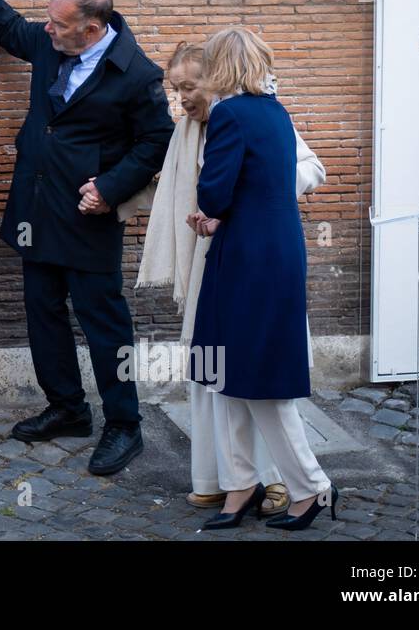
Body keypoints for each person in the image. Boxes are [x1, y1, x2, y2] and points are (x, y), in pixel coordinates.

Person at [0, 0, 173, 475]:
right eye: (49, 22)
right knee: (43, 312)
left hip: (88, 215)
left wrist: (111, 187)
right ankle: (68, 408)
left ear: (93, 29)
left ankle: (125, 424)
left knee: (103, 321)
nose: (47, 29)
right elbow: (8, 28)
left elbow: (158, 140)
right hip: (36, 208)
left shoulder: (137, 75)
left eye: (57, 23)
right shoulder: (53, 44)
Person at [133, 42, 325, 518]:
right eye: (174, 89)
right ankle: (226, 482)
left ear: (214, 76)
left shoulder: (239, 115)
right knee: (215, 377)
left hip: (249, 259)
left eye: (188, 87)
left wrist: (251, 195)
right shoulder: (208, 125)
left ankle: (281, 482)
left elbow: (306, 169)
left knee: (256, 376)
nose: (181, 99)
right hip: (219, 261)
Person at [187, 27, 337, 530]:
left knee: (258, 381)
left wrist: (210, 205)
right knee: (226, 374)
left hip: (250, 259)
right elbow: (261, 187)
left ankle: (312, 487)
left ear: (219, 67)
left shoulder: (228, 113)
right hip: (264, 251)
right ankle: (240, 486)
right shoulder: (276, 111)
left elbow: (215, 194)